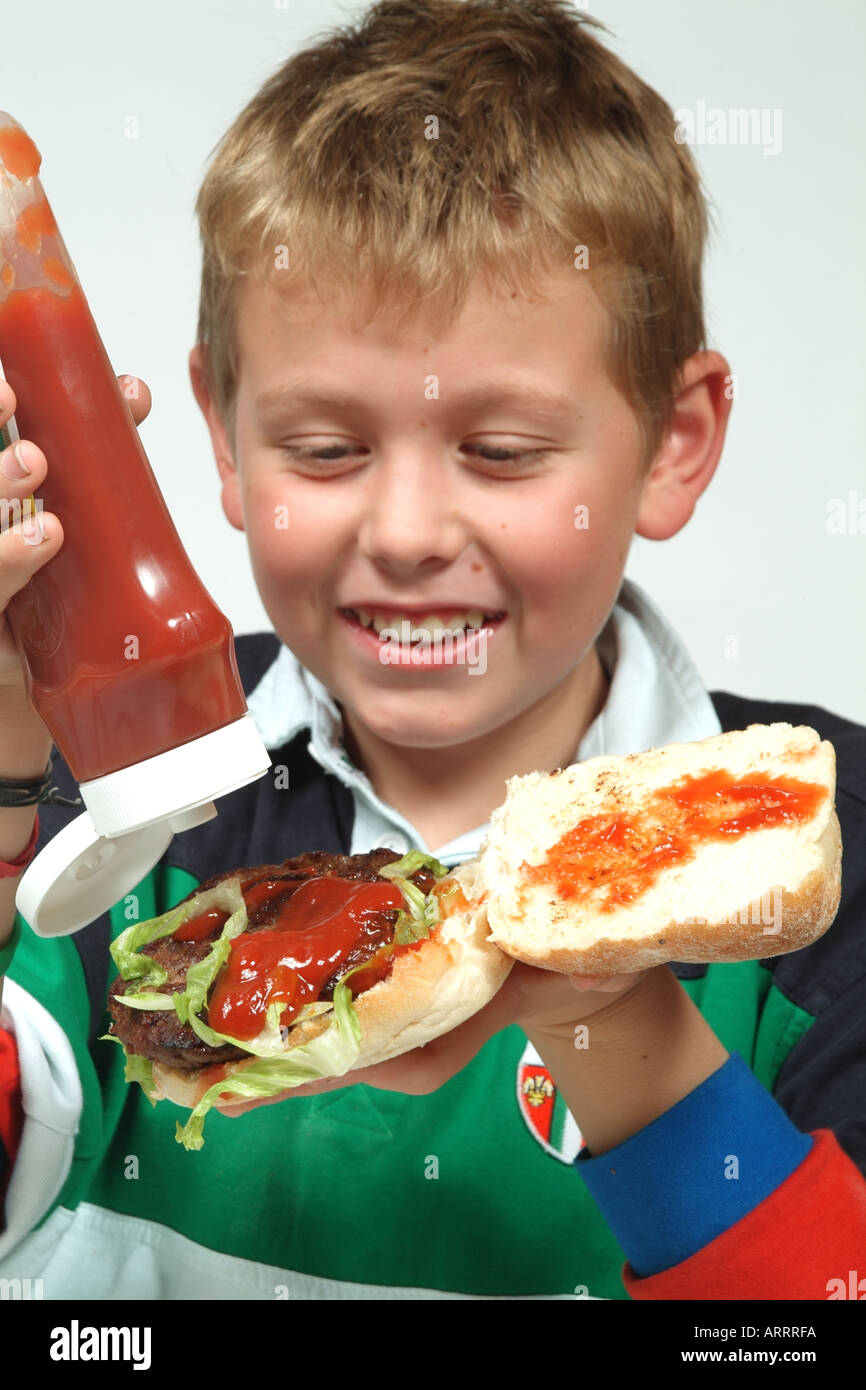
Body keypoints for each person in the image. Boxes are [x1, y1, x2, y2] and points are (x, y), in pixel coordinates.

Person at [0, 0, 864, 1302]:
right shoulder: (93, 791)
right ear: (223, 443)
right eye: (326, 448)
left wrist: (602, 1009)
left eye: (502, 451)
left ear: (673, 442)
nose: (404, 533)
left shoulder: (805, 848)